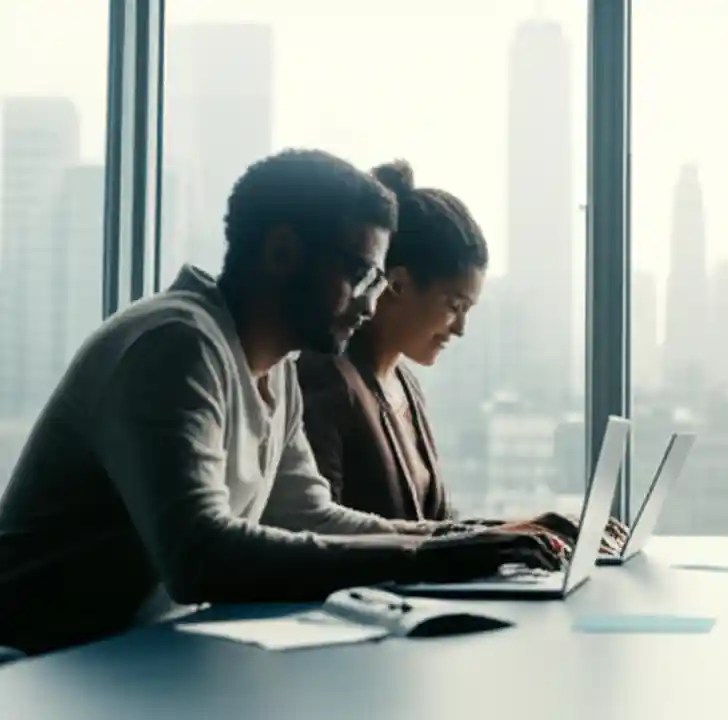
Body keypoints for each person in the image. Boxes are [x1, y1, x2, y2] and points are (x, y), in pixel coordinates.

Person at [0, 150, 562, 655]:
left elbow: (312, 516)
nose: (371, 305)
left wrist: (470, 542)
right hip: (41, 667)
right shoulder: (176, 346)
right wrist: (425, 558)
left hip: (132, 659)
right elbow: (200, 556)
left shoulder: (278, 367)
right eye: (361, 275)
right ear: (282, 252)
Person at [296, 161, 624, 551]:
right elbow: (321, 540)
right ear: (397, 285)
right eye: (454, 306)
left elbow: (437, 528)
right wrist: (508, 537)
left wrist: (535, 529)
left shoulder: (404, 384)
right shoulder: (324, 381)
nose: (460, 328)